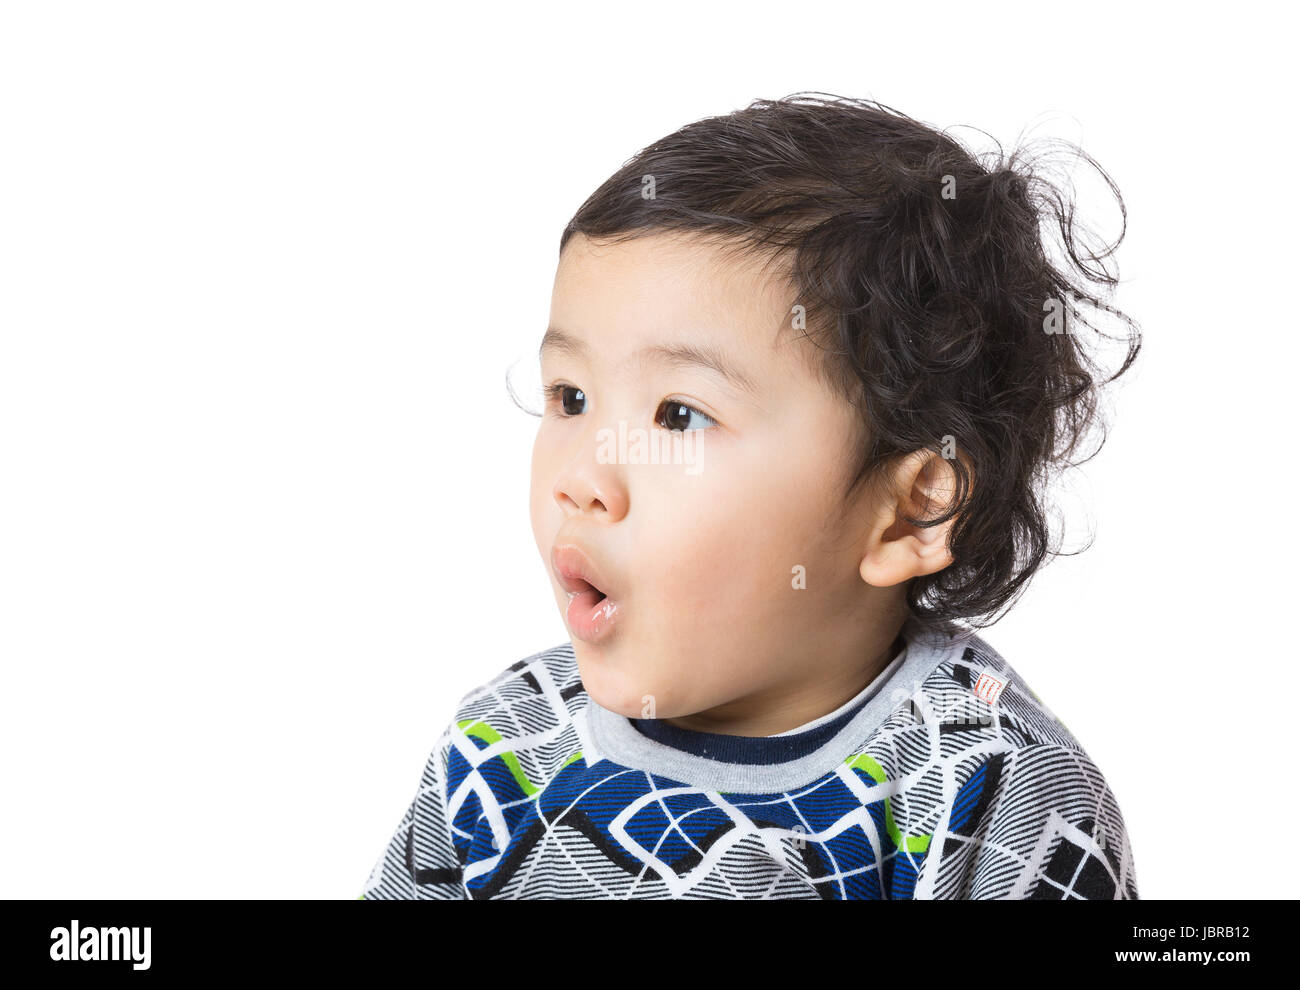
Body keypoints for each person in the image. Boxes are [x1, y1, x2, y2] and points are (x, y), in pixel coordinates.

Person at [361, 92, 1141, 899]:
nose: (583, 477)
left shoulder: (992, 797)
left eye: (678, 415)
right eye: (569, 398)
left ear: (911, 510)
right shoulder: (500, 747)